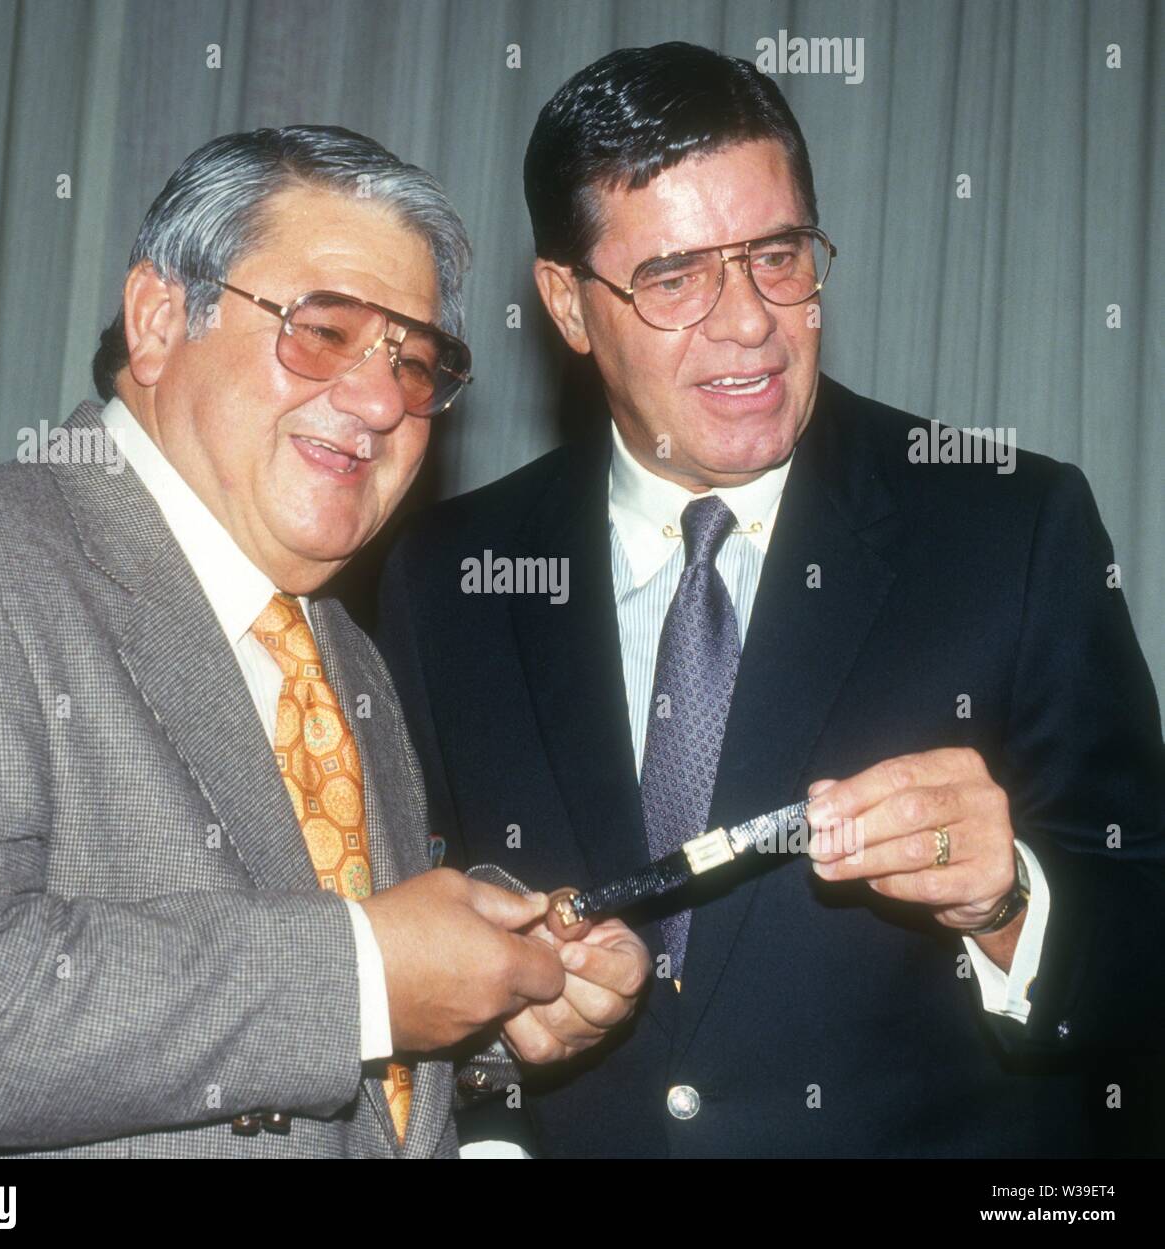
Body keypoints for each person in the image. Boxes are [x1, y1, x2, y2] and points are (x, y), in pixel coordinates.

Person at [377, 44, 1165, 1157]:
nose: (748, 321)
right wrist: (497, 1047)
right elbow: (389, 961)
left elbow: (1143, 930)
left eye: (778, 257)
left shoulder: (1008, 525)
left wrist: (1011, 902)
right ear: (565, 302)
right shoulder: (444, 572)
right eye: (676, 275)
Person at [0, 125, 646, 1159]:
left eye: (414, 362)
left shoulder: (343, 652)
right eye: (323, 330)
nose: (378, 401)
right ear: (156, 319)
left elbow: (332, 1044)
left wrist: (501, 995)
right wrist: (364, 971)